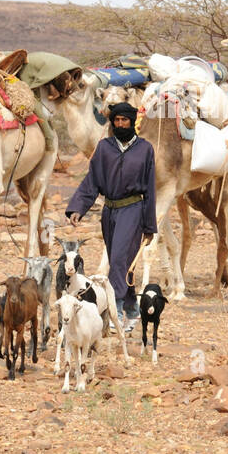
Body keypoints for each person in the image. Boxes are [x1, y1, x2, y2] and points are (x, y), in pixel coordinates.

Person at [65, 103, 156, 331]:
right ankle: (133, 310)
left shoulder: (145, 149)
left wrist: (149, 225)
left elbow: (150, 189)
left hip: (133, 210)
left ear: (132, 122)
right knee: (124, 263)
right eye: (116, 121)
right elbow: (91, 181)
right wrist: (78, 208)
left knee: (117, 261)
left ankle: (113, 311)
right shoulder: (104, 148)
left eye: (124, 120)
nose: (120, 124)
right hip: (110, 212)